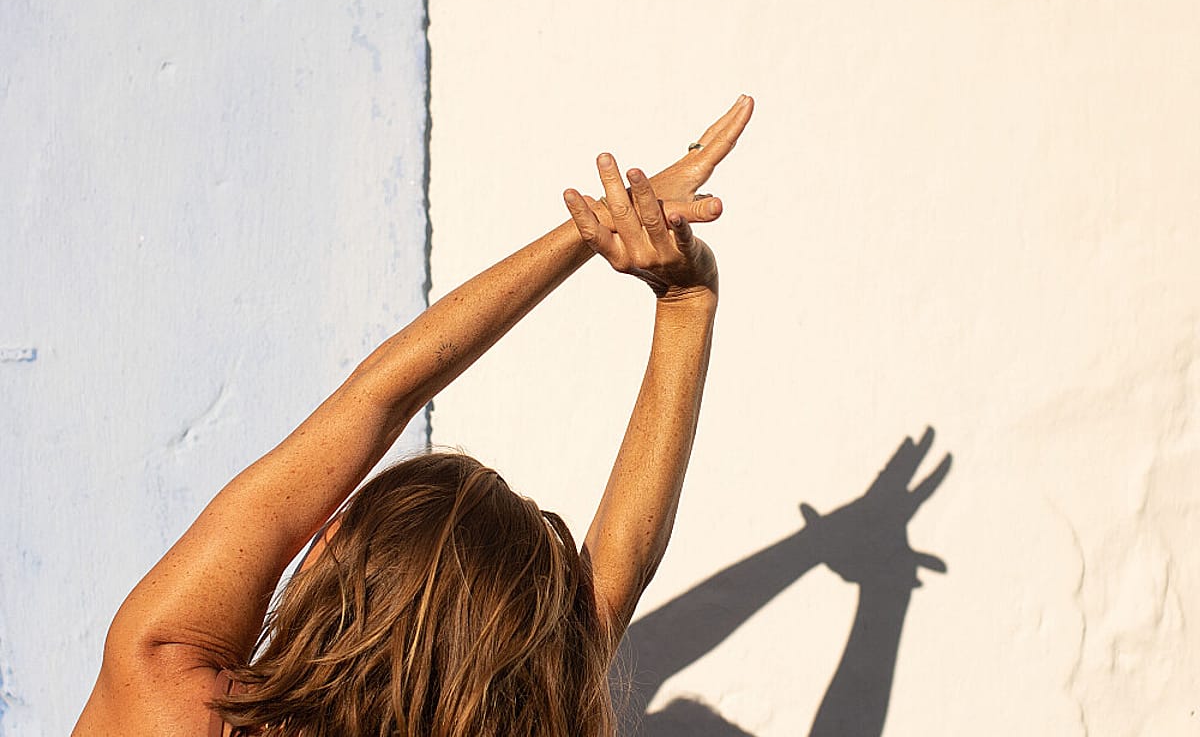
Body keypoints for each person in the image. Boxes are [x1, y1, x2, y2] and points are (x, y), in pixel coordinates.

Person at [71, 95, 754, 737]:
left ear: (343, 582)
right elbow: (619, 567)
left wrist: (591, 230)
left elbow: (377, 399)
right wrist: (687, 302)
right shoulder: (531, 711)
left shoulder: (163, 696)